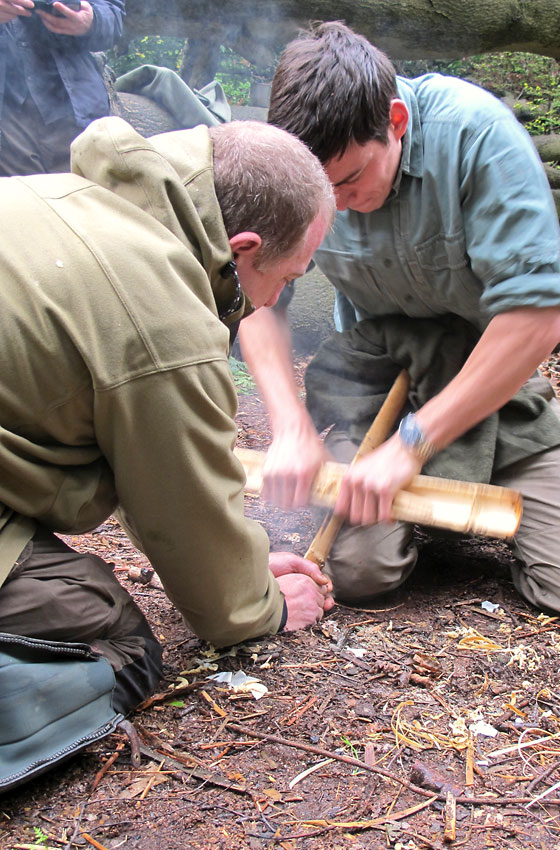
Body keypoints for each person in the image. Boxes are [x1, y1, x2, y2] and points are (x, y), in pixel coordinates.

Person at [238, 21, 560, 628]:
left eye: (349, 180)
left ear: (396, 121)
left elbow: (536, 322)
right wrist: (291, 425)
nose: (336, 206)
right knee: (358, 576)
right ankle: (432, 515)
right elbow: (258, 296)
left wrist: (415, 444)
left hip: (490, 386)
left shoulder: (478, 138)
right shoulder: (293, 168)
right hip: (373, 386)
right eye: (322, 189)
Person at [0, 115, 335, 790]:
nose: (273, 301)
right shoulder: (160, 316)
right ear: (242, 249)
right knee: (109, 638)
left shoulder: (64, 198)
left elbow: (146, 468)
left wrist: (237, 558)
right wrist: (260, 605)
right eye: (287, 278)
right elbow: (184, 519)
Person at [0, 0, 124, 176]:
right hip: (8, 120)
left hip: (74, 106)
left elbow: (114, 16)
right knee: (21, 200)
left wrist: (92, 21)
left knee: (90, 198)